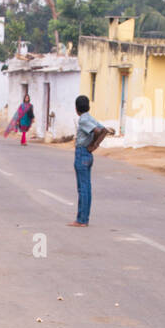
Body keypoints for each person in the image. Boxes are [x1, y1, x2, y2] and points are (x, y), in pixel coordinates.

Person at [69, 94, 114, 228]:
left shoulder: (83, 120)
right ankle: (84, 218)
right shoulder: (89, 117)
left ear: (76, 108)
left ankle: (81, 220)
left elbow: (98, 131)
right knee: (86, 187)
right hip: (88, 154)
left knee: (82, 188)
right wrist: (94, 145)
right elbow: (103, 130)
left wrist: (93, 144)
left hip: (82, 153)